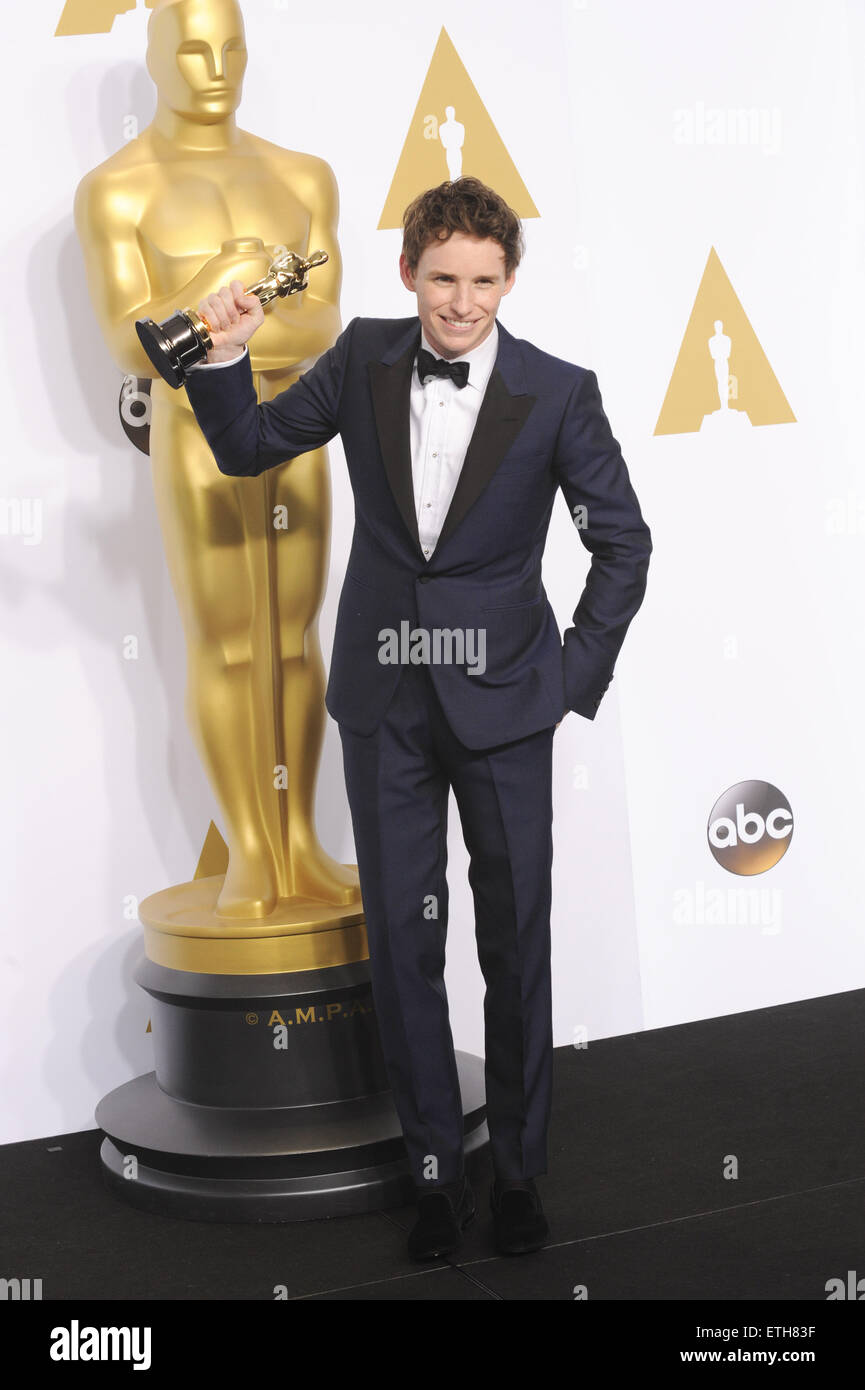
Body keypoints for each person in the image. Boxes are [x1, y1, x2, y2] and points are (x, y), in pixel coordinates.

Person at [183, 176, 652, 1261]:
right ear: (408, 273)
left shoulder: (559, 391)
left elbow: (622, 545)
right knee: (402, 943)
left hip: (506, 705)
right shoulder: (361, 356)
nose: (460, 302)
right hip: (385, 701)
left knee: (515, 938)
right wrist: (224, 355)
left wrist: (568, 677)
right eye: (441, 278)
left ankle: (522, 1174)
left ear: (509, 280)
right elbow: (249, 446)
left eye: (483, 281)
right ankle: (435, 1175)